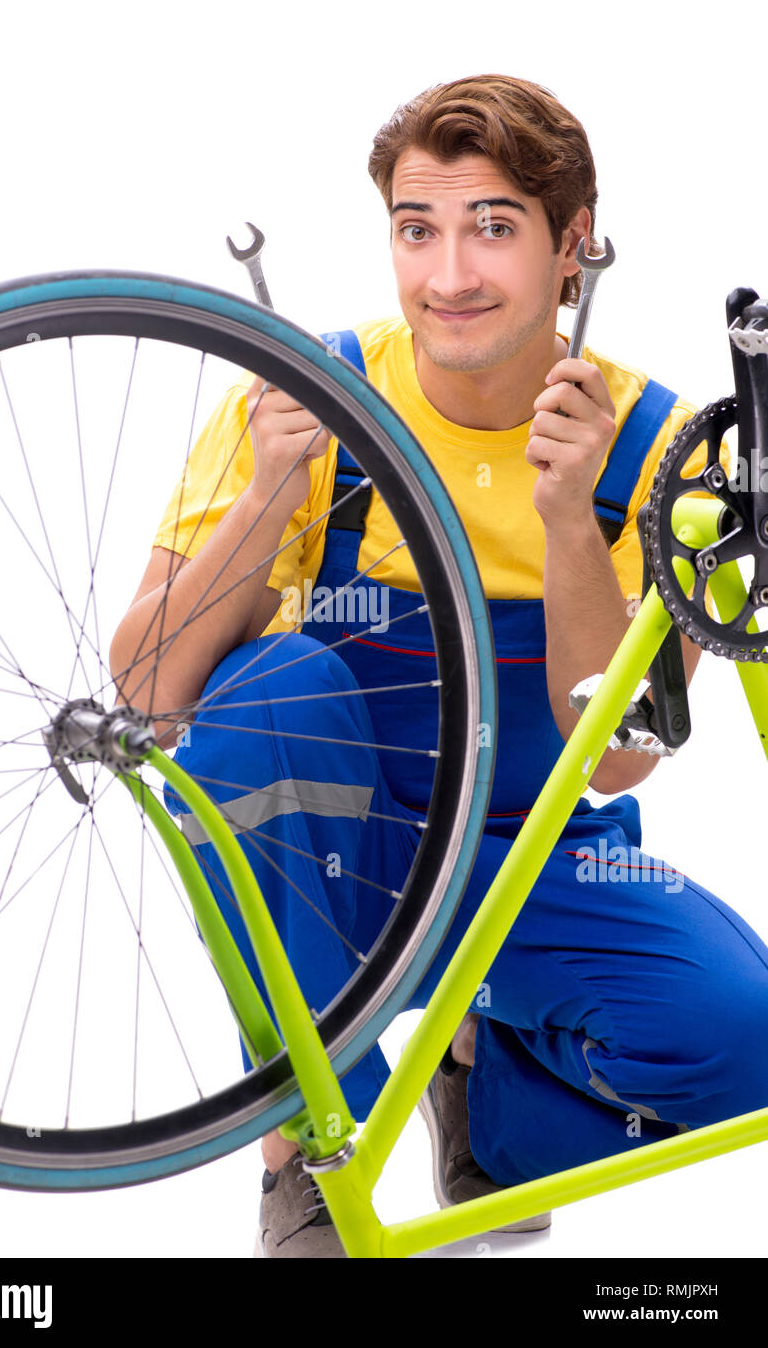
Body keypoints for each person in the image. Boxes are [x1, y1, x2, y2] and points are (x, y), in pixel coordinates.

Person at [109, 74, 768, 1258]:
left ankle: (486, 1089)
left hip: (538, 859)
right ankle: (306, 1158)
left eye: (493, 229)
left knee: (745, 1039)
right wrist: (268, 493)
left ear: (574, 250)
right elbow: (147, 692)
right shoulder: (303, 396)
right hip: (339, 851)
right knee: (267, 696)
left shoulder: (654, 444)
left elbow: (617, 760)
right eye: (419, 229)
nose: (449, 275)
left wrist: (572, 519)